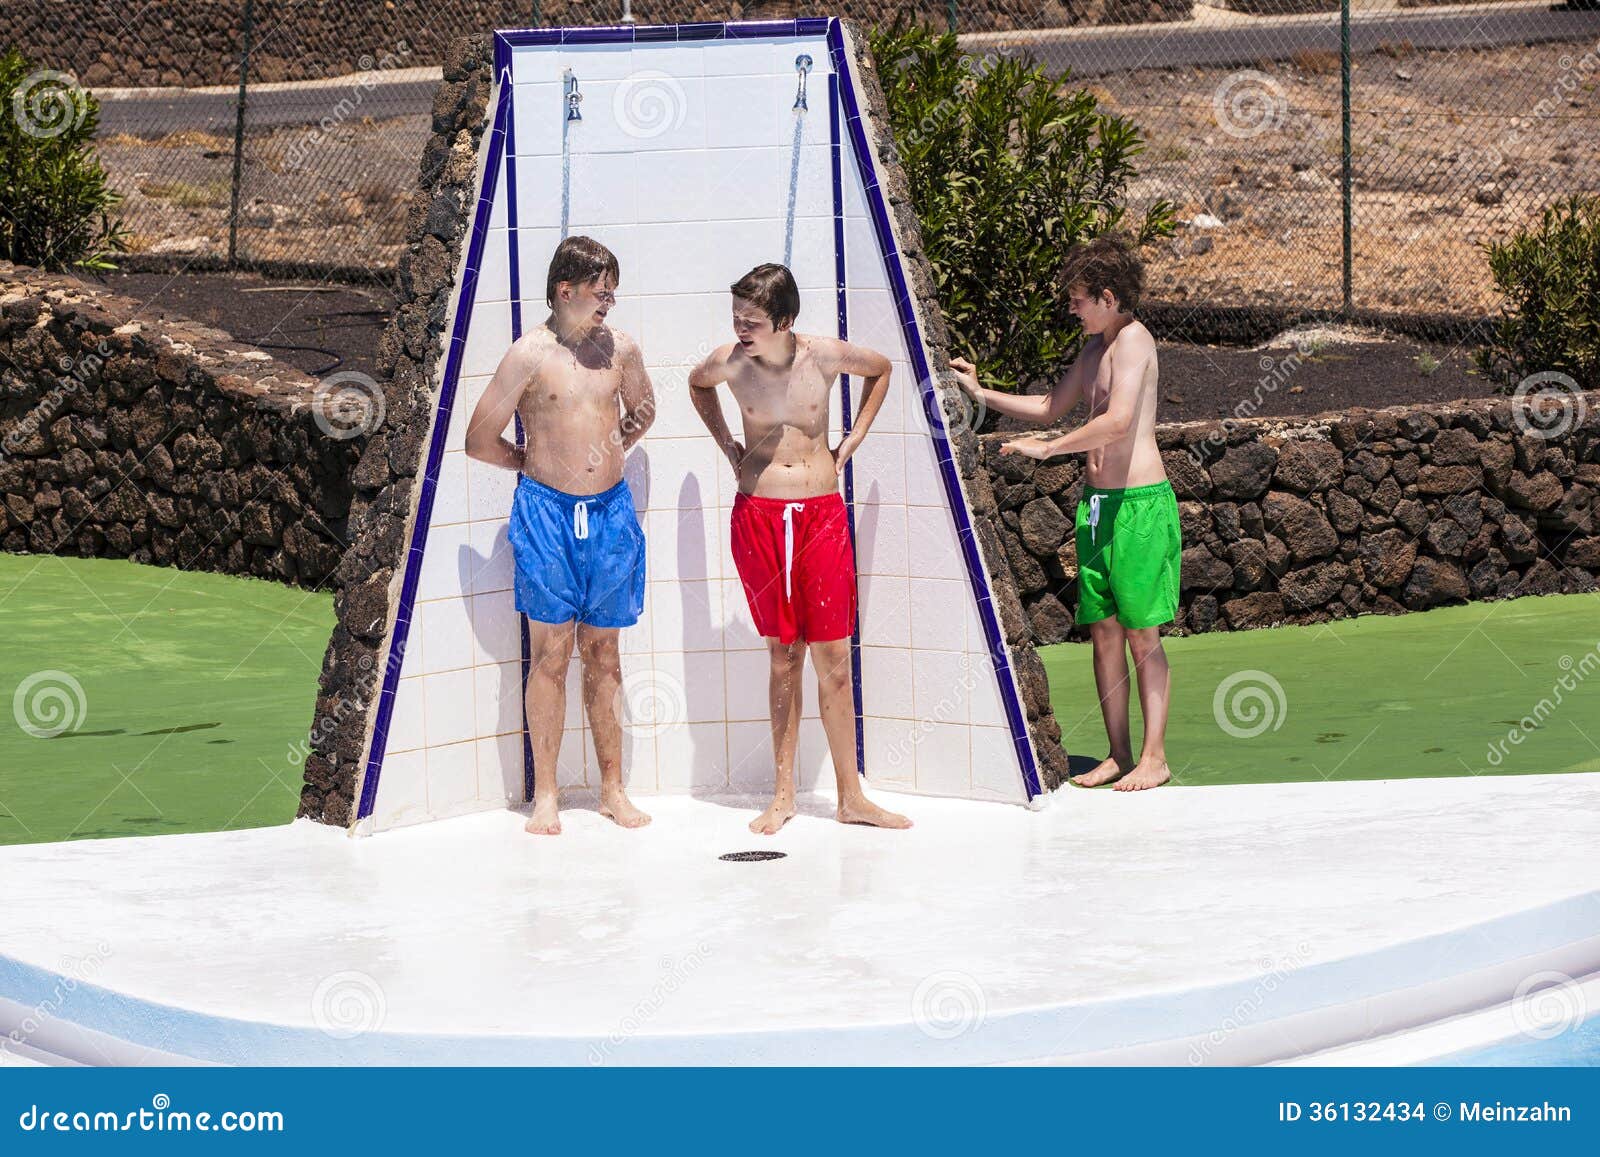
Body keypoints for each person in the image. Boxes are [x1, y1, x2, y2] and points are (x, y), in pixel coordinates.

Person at [688, 263, 913, 834]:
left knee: (834, 659)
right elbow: (696, 383)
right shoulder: (730, 363)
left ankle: (851, 796)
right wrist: (727, 444)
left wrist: (854, 438)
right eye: (736, 316)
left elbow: (882, 370)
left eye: (753, 320)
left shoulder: (824, 355)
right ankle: (783, 793)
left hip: (821, 514)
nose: (741, 327)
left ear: (785, 321)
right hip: (760, 514)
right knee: (782, 655)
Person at [950, 234, 1178, 791]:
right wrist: (982, 394)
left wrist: (1052, 448)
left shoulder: (1134, 343)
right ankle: (1120, 754)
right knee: (1103, 632)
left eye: (1078, 300)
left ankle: (1156, 757)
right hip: (1098, 507)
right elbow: (1052, 405)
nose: (1072, 309)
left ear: (1106, 295)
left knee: (1141, 634)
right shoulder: (1094, 350)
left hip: (1138, 506)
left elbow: (1120, 420)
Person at [465, 235, 656, 833]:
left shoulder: (620, 349)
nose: (608, 305)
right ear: (563, 290)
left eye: (613, 295)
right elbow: (478, 439)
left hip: (610, 515)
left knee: (605, 651)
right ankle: (545, 794)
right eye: (600, 294)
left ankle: (612, 790)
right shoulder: (528, 356)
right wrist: (529, 464)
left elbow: (645, 410)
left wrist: (609, 455)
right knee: (550, 653)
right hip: (546, 514)